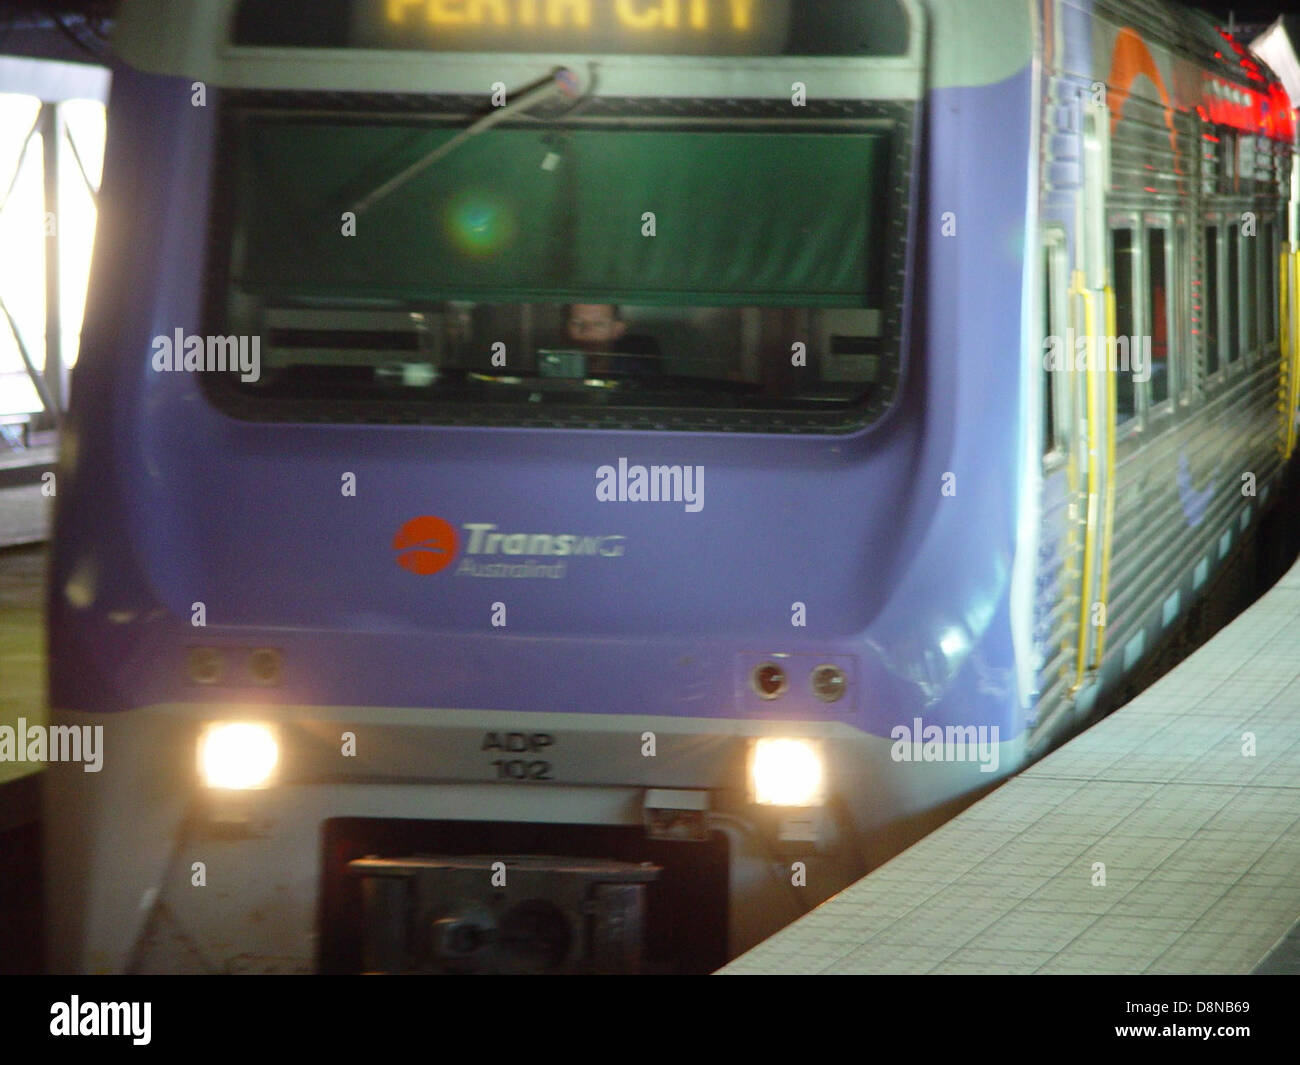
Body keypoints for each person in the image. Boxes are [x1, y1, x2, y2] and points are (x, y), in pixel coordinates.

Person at [561, 303, 660, 375]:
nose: (587, 331)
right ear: (565, 328)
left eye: (598, 324)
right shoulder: (553, 370)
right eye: (577, 323)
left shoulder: (637, 374)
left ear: (618, 330)